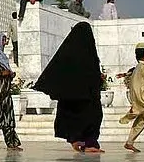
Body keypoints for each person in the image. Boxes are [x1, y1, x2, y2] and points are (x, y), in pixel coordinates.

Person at [32, 22, 104, 153]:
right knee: (93, 116)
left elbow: (59, 71)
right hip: (88, 96)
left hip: (72, 96)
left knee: (74, 115)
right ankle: (90, 143)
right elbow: (90, 73)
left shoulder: (67, 51)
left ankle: (77, 139)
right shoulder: (88, 52)